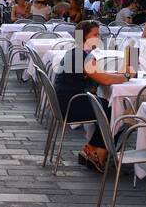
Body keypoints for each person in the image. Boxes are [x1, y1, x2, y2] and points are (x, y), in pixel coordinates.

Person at [52, 20, 134, 173]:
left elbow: (101, 75)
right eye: (95, 35)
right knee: (117, 113)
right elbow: (105, 80)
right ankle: (98, 154)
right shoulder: (84, 56)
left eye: (99, 34)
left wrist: (120, 75)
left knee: (109, 109)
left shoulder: (77, 53)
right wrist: (127, 76)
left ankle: (91, 150)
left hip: (65, 102)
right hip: (72, 104)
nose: (99, 38)